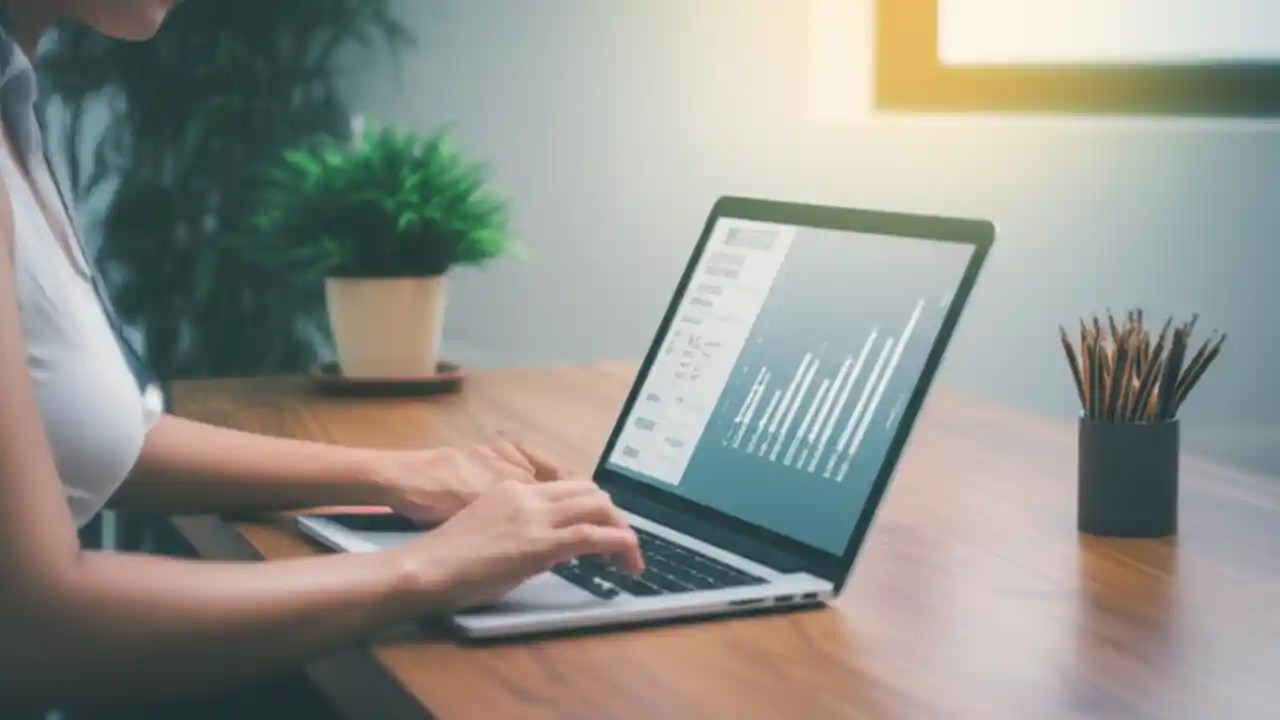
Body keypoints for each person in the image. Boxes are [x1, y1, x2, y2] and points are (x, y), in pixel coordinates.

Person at [0, 1, 643, 715]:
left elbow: (85, 438)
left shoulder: (14, 100)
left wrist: (394, 472)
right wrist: (430, 566)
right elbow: (34, 630)